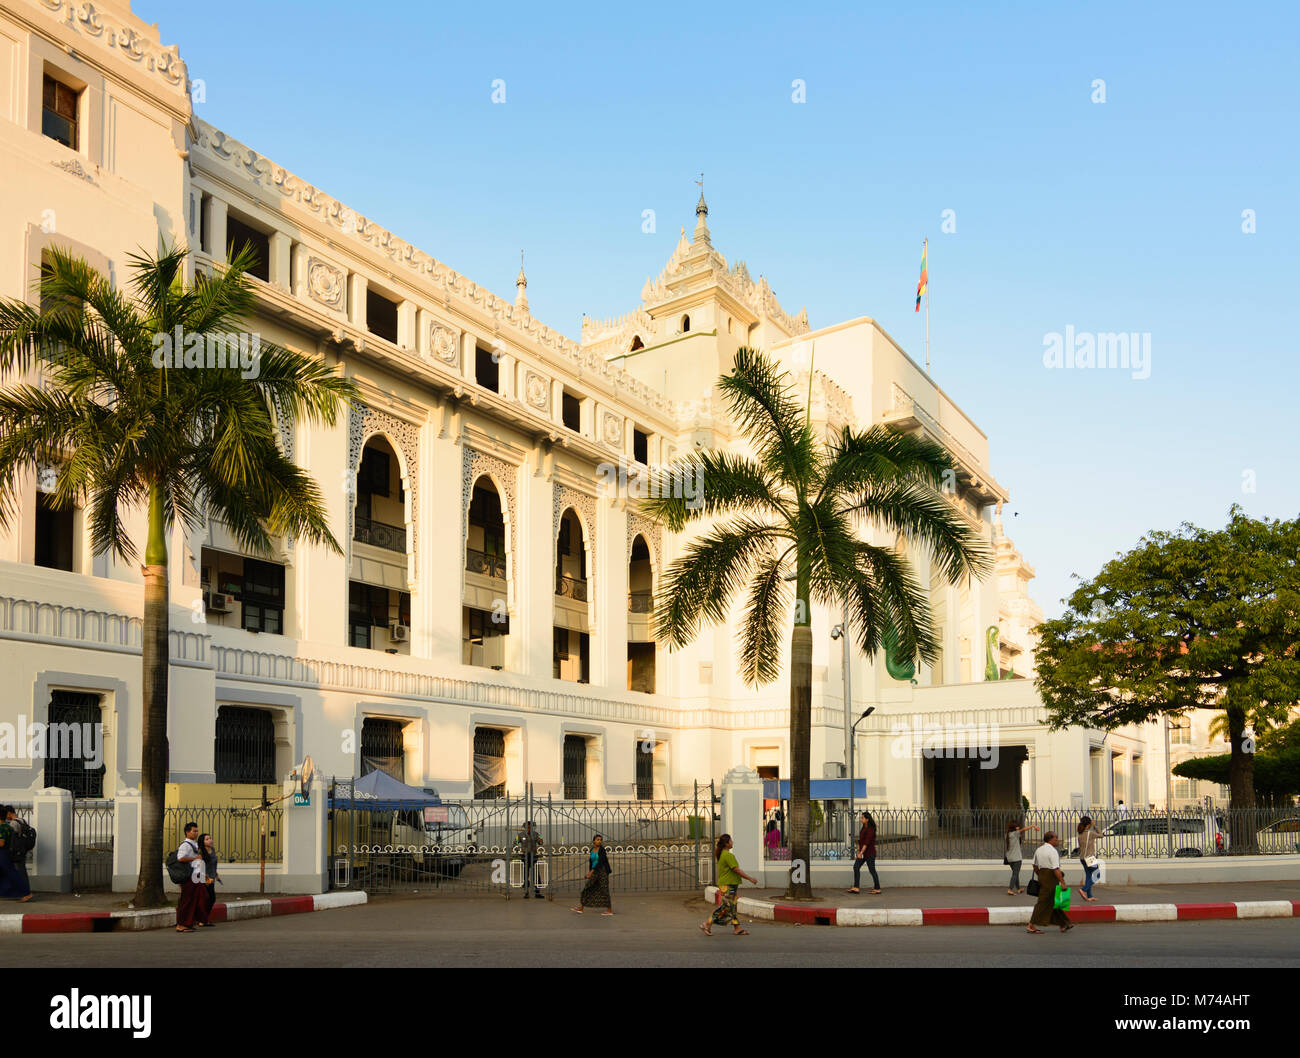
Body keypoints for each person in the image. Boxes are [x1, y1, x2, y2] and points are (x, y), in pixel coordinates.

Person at [701, 833, 756, 936]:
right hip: (728, 885)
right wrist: (750, 878)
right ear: (726, 844)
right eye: (730, 841)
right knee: (726, 907)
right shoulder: (728, 855)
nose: (732, 842)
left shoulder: (722, 854)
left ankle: (737, 928)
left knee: (732, 906)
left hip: (728, 884)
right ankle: (707, 923)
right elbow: (736, 870)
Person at [1027, 831, 1072, 934]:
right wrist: (1063, 882)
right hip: (1051, 877)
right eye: (1056, 839)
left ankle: (1064, 923)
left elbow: (1034, 866)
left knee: (1053, 901)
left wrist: (1041, 876)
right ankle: (1031, 924)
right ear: (1050, 839)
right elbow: (1056, 869)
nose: (1057, 840)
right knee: (1043, 902)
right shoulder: (1052, 851)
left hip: (1042, 875)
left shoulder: (1039, 849)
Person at [175, 822, 207, 933]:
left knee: (196, 899)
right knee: (187, 900)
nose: (196, 833)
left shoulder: (194, 844)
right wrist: (194, 858)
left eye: (197, 831)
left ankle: (189, 922)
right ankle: (181, 924)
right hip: (189, 876)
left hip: (196, 875)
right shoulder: (185, 845)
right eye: (194, 831)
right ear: (187, 832)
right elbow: (180, 858)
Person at [571, 834, 613, 915]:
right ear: (594, 841)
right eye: (597, 839)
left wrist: (591, 872)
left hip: (602, 871)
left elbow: (600, 862)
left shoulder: (602, 850)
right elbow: (592, 862)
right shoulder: (592, 850)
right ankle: (581, 908)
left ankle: (609, 910)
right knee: (588, 888)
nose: (599, 841)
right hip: (595, 872)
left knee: (604, 890)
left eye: (600, 840)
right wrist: (590, 872)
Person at [0, 805, 33, 903]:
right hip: (9, 852)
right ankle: (9, 892)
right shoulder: (7, 826)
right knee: (7, 873)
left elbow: (1, 843)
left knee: (12, 873)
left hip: (2, 853)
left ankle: (26, 892)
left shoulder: (2, 827)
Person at [846, 810, 880, 894]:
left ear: (867, 819)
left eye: (862, 818)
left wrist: (861, 853)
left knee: (872, 870)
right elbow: (861, 841)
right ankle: (856, 887)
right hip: (862, 852)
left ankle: (877, 888)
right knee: (856, 867)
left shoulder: (870, 829)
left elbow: (866, 843)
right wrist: (859, 852)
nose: (861, 819)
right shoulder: (863, 828)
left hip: (869, 853)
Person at [1004, 819, 1039, 894]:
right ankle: (1010, 889)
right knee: (1015, 874)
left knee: (1015, 873)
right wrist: (1032, 826)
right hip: (1016, 858)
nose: (1018, 827)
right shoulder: (1015, 833)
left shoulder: (1007, 834)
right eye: (1017, 826)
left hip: (1009, 858)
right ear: (1014, 827)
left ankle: (1018, 889)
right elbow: (1024, 829)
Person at [1076, 815, 1103, 902]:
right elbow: (1101, 835)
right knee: (1097, 875)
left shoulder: (1080, 834)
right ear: (1088, 824)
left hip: (1082, 858)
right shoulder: (1090, 833)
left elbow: (1080, 847)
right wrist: (1095, 826)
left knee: (1088, 876)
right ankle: (1083, 890)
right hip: (1090, 857)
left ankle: (1090, 896)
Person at [517, 820, 544, 899]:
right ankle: (526, 892)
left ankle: (537, 892)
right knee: (526, 873)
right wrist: (520, 849)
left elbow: (541, 842)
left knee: (536, 873)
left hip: (533, 855)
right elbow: (515, 843)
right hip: (524, 856)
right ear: (525, 827)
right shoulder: (520, 835)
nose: (528, 828)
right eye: (527, 827)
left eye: (530, 827)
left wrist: (541, 839)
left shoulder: (536, 834)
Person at [199, 833, 220, 925]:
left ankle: (204, 919)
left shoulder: (212, 850)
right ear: (202, 842)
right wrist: (206, 877)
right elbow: (199, 866)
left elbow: (213, 864)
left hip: (211, 878)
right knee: (209, 898)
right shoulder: (200, 852)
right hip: (203, 879)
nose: (210, 840)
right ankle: (202, 920)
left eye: (210, 838)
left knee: (210, 899)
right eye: (207, 839)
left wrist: (216, 874)